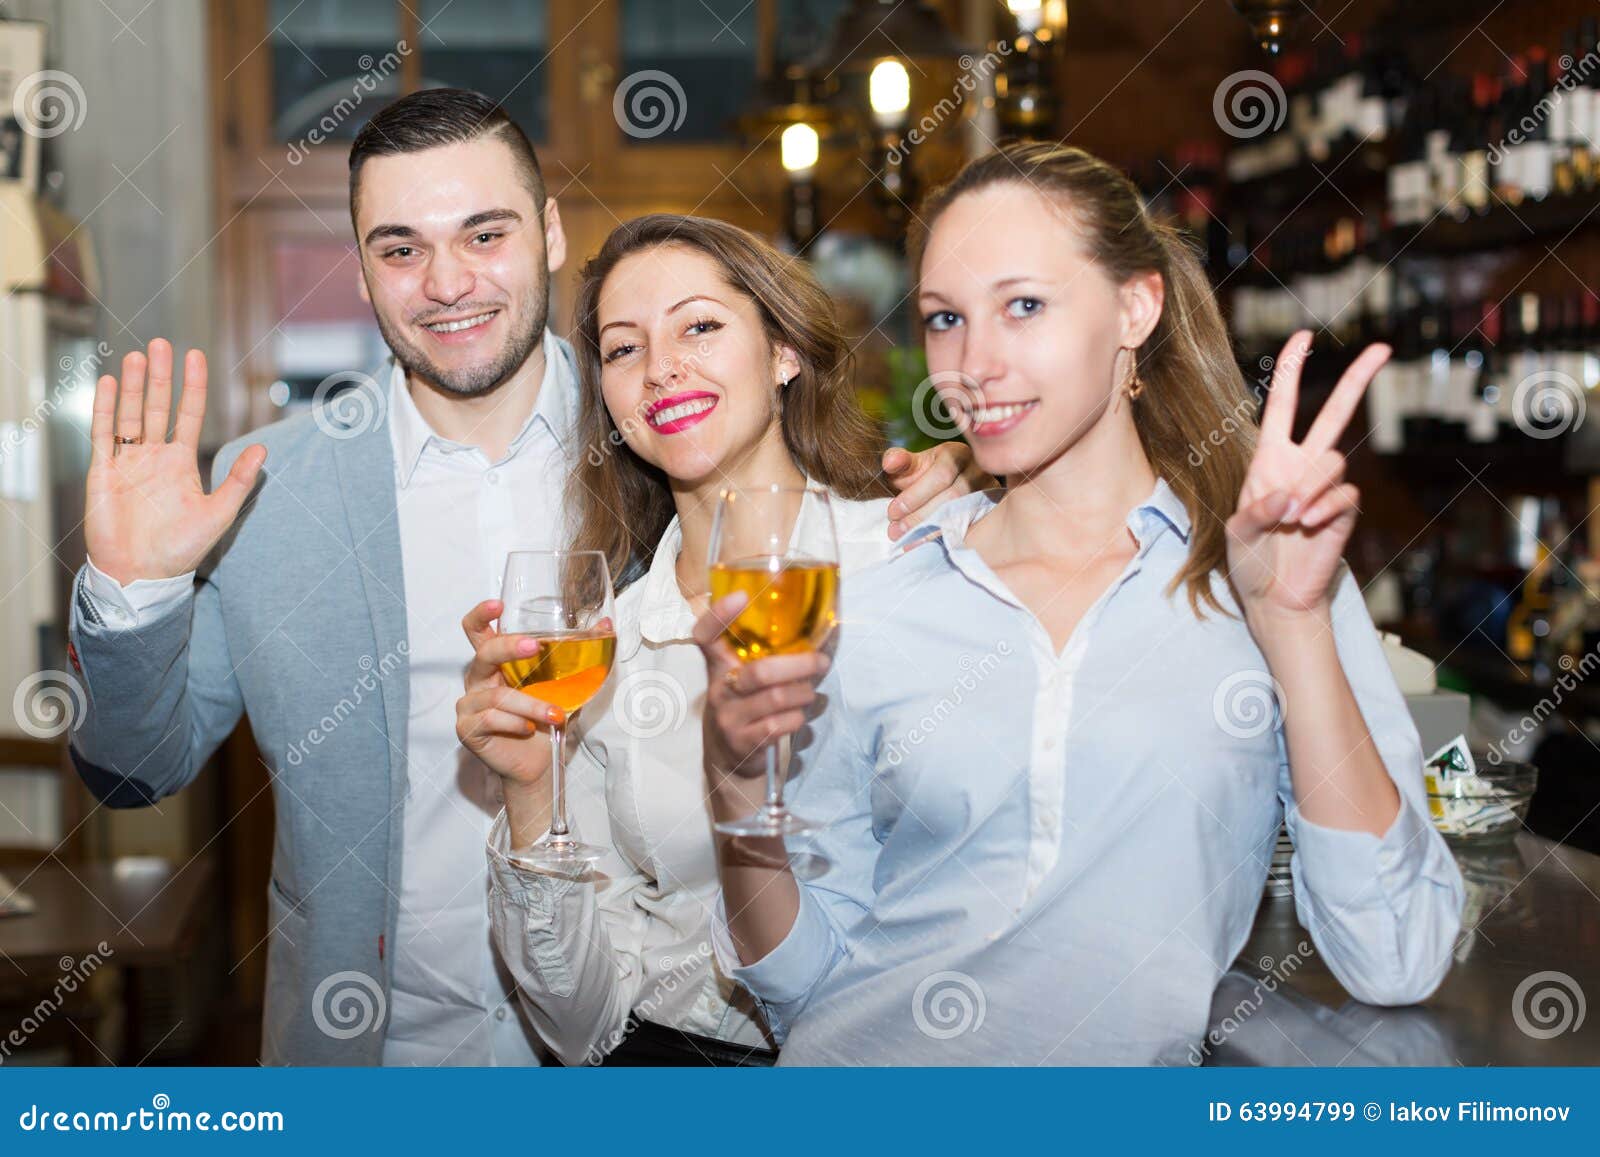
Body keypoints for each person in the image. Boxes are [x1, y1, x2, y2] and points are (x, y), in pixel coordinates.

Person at [63, 89, 974, 1065]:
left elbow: (810, 506)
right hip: (371, 1051)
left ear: (544, 233)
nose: (446, 281)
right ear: (363, 271)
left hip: (633, 1047)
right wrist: (136, 588)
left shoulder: (658, 428)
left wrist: (968, 477)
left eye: (483, 233)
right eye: (400, 247)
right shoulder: (266, 486)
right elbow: (133, 770)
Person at [694, 141, 1466, 1065]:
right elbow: (800, 984)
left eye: (1024, 305)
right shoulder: (881, 593)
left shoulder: (1270, 576)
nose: (973, 363)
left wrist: (1293, 622)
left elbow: (1396, 954)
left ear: (1135, 306)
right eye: (945, 318)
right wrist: (739, 802)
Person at [455, 213, 989, 1065]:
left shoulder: (917, 554)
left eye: (700, 326)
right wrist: (529, 793)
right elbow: (579, 1025)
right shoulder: (610, 644)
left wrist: (995, 476)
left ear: (783, 352)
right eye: (624, 350)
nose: (662, 367)